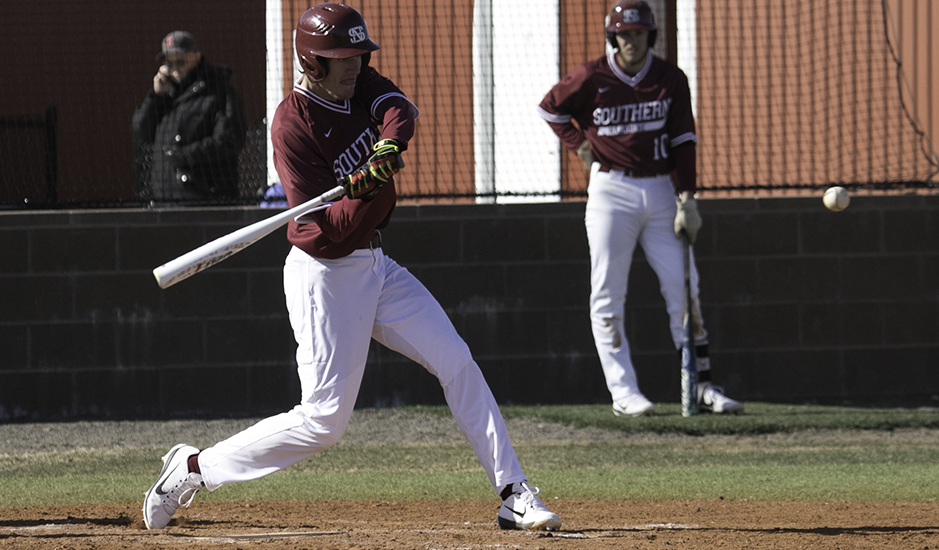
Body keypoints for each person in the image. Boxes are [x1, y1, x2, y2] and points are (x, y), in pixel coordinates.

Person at [142, 3, 561, 533]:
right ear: (311, 62)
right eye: (340, 57)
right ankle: (193, 468)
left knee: (455, 359)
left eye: (358, 55)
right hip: (326, 275)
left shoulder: (358, 84)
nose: (354, 65)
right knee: (323, 421)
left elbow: (399, 108)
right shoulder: (292, 124)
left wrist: (386, 148)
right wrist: (367, 187)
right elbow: (328, 231)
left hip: (376, 265)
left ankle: (513, 492)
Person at [538, 0, 743, 417]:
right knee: (609, 293)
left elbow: (684, 142)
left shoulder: (670, 78)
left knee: (685, 287)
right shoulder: (591, 75)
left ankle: (699, 385)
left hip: (662, 192)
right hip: (611, 190)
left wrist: (688, 199)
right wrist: (578, 145)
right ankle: (624, 392)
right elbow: (549, 107)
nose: (631, 41)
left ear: (651, 35)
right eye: (623, 34)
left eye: (639, 33)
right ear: (613, 37)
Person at [132, 31, 246, 203]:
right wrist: (155, 96)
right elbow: (140, 132)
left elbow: (231, 138)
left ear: (196, 56)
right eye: (169, 63)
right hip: (164, 200)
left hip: (206, 198)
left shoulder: (218, 91)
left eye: (180, 61)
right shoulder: (166, 93)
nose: (174, 68)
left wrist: (185, 156)